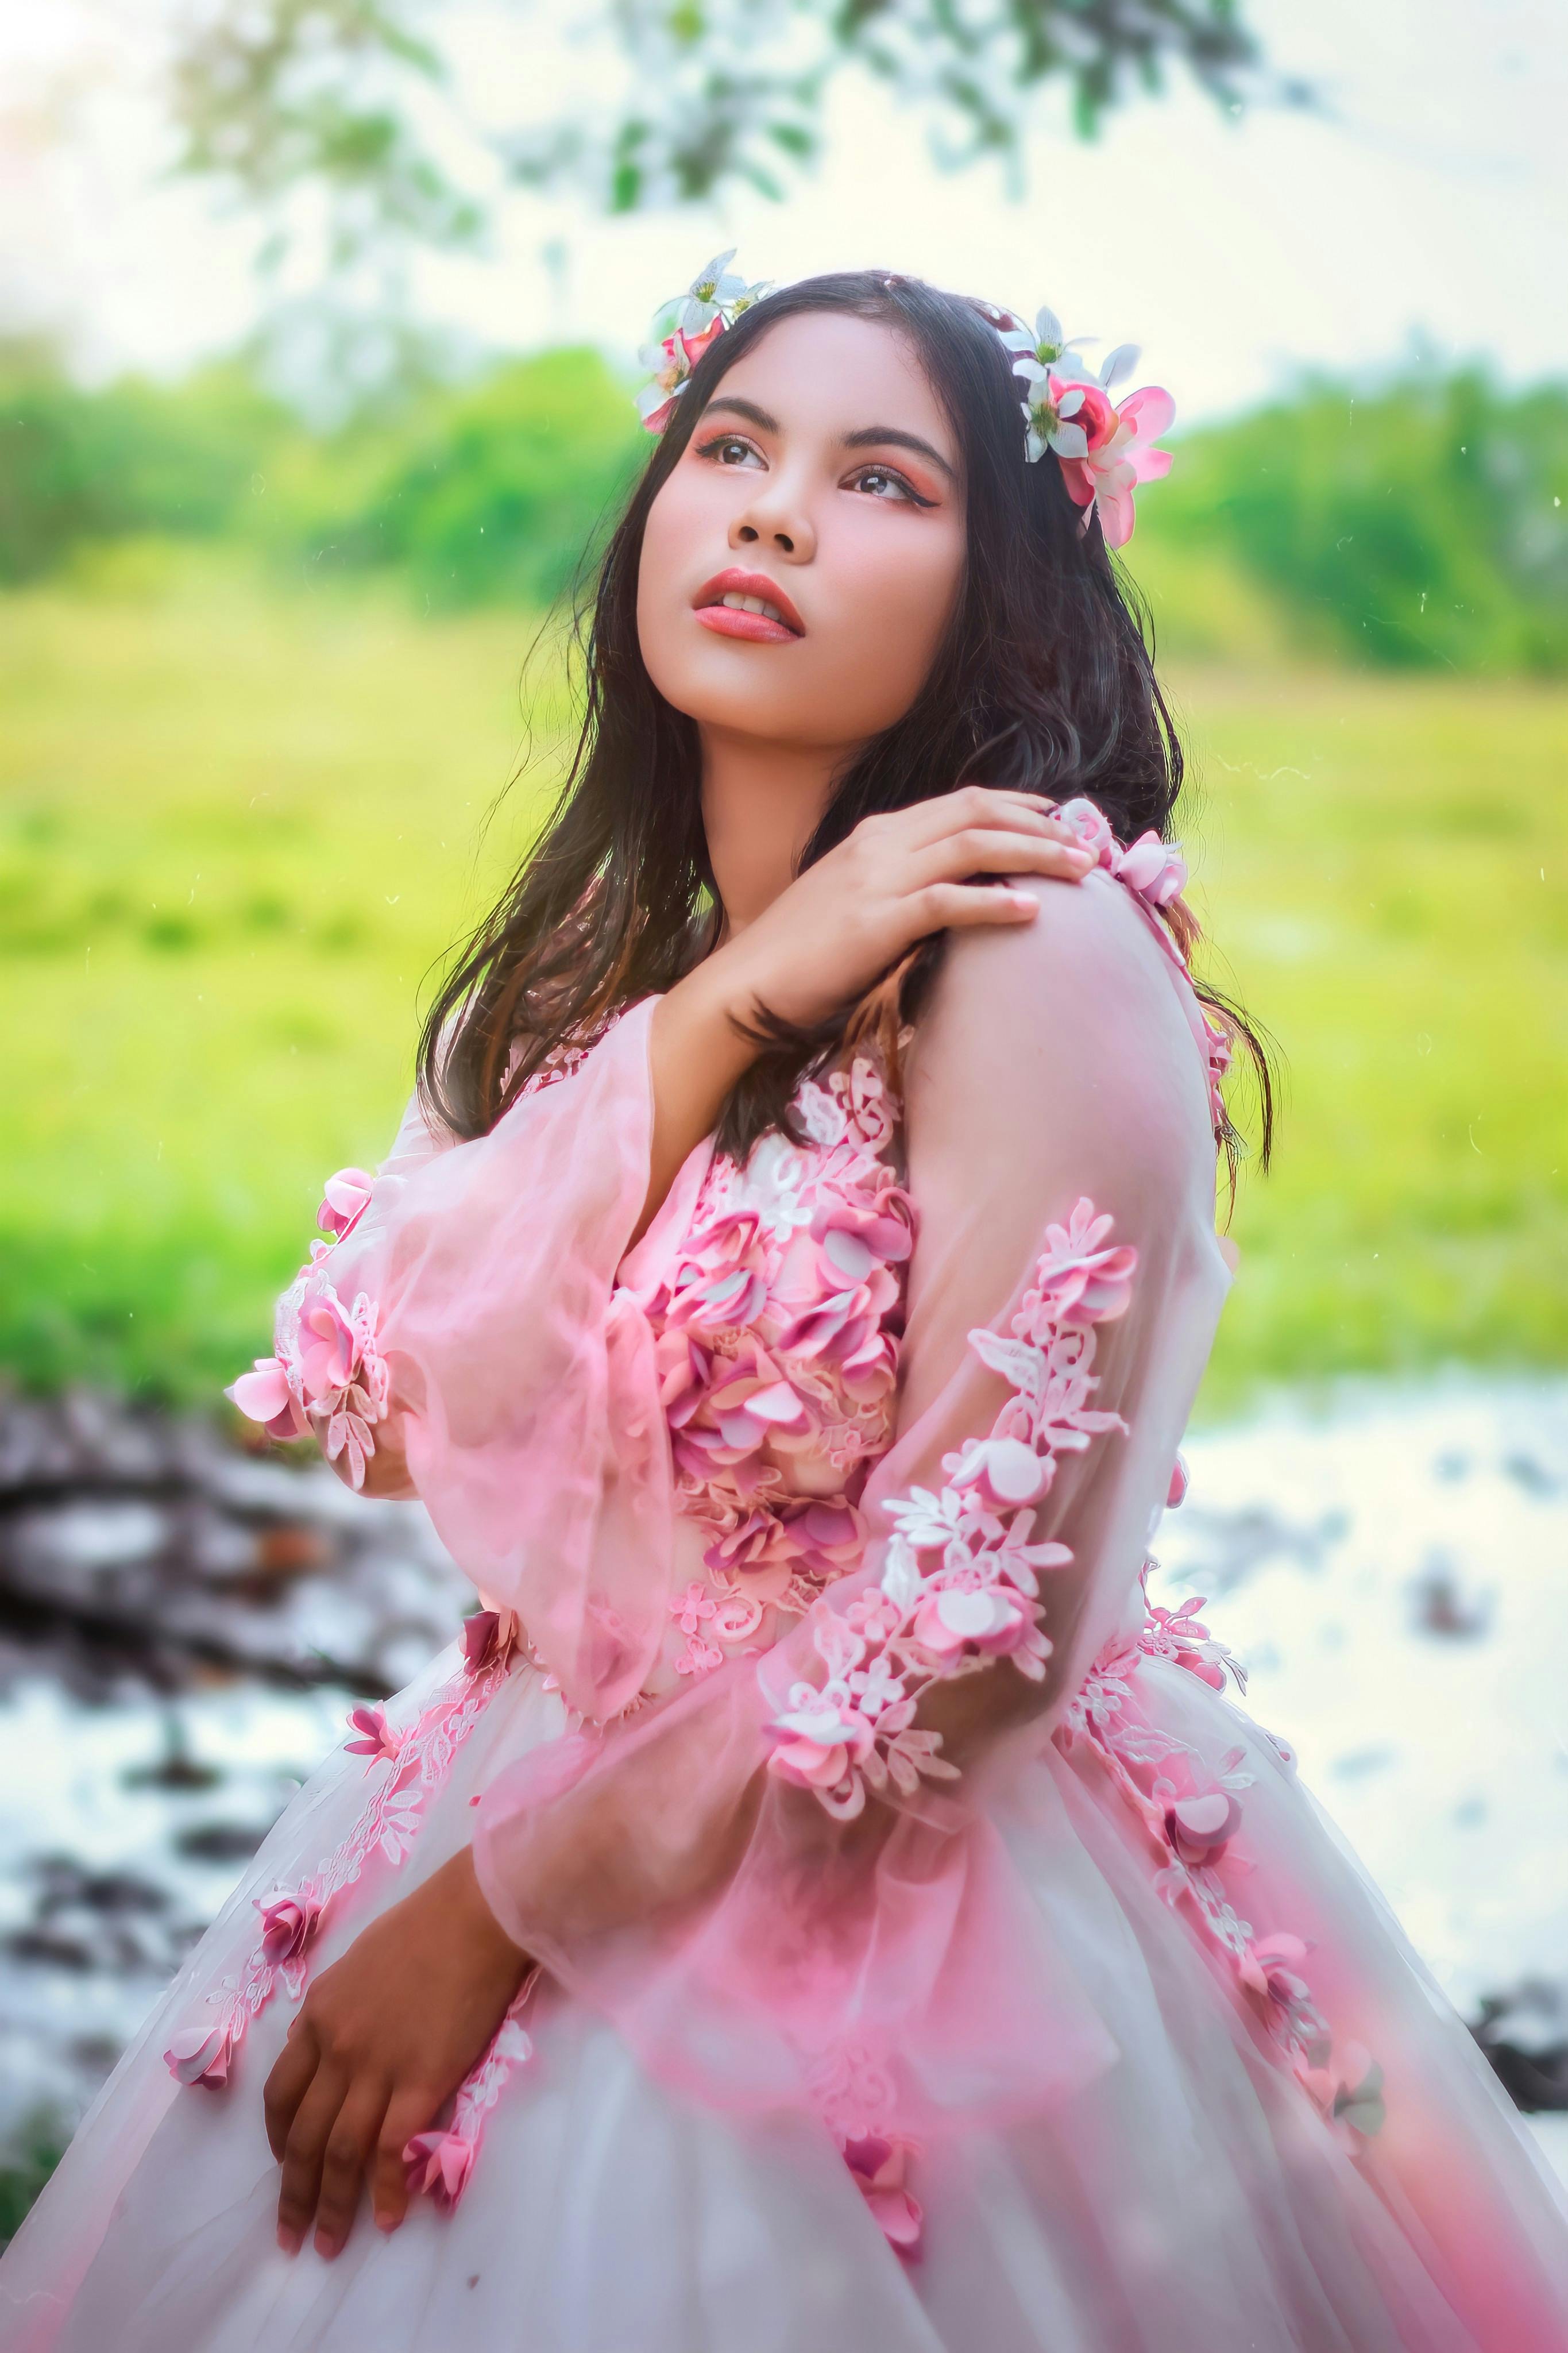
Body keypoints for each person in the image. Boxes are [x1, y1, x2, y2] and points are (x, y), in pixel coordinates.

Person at [3, 265, 1565, 2353]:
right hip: (531, 1778)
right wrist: (740, 993)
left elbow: (971, 1623)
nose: (767, 514)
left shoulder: (1032, 943)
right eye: (730, 448)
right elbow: (365, 1374)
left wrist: (497, 1912)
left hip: (897, 1904)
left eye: (877, 477)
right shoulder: (584, 971)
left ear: (999, 584)